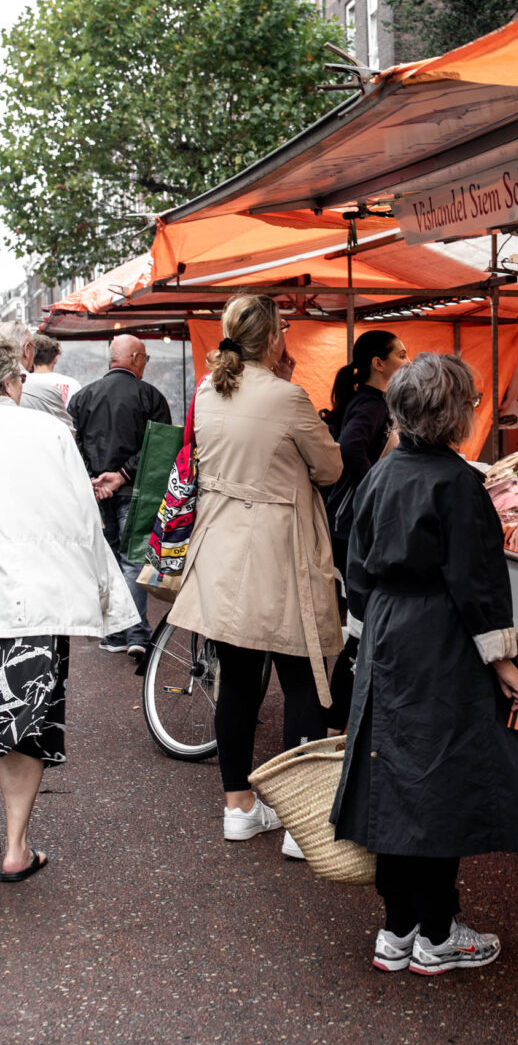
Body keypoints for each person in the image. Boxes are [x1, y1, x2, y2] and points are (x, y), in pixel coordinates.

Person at [330, 352, 518, 975]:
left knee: (389, 776)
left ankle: (395, 930)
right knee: (440, 783)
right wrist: (504, 663)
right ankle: (438, 936)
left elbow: (354, 561)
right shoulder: (459, 482)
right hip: (441, 638)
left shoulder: (380, 475)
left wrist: (363, 636)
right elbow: (477, 581)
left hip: (386, 635)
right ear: (456, 415)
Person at [168, 295, 343, 855]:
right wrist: (291, 392)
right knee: (303, 678)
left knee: (238, 682)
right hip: (279, 553)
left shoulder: (207, 390)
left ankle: (238, 808)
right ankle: (299, 823)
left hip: (220, 550)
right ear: (273, 339)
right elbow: (330, 467)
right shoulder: (290, 398)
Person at [0, 342, 139, 881]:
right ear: (14, 383)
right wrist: (108, 602)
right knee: (24, 724)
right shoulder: (50, 432)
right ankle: (14, 847)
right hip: (37, 602)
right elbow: (85, 520)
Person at [322, 331, 408, 729]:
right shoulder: (371, 403)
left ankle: (344, 715)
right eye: (401, 354)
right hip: (350, 523)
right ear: (379, 362)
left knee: (363, 621)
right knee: (361, 624)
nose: (407, 359)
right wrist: (374, 490)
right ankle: (338, 717)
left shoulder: (375, 401)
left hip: (353, 522)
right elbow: (351, 446)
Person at [69, 335, 171, 659]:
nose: (146, 364)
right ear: (136, 357)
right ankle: (137, 633)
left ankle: (114, 635)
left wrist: (94, 480)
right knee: (132, 561)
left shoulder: (82, 398)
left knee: (107, 561)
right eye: (146, 358)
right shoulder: (150, 396)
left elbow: (71, 445)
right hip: (134, 493)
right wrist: (123, 475)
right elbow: (160, 449)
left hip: (96, 494)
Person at [20, 332, 82, 427]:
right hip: (62, 436)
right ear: (55, 358)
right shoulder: (72, 384)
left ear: (31, 354)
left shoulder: (22, 382)